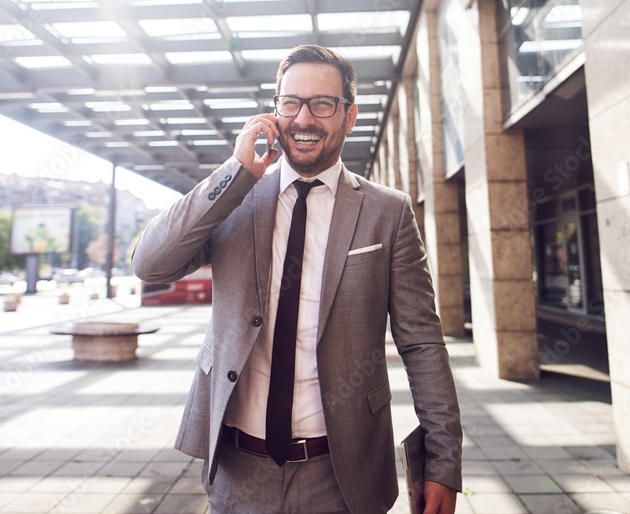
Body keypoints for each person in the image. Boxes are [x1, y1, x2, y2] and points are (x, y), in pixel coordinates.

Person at [132, 45, 462, 513]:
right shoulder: (236, 198)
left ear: (349, 117)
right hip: (236, 471)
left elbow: (422, 343)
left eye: (322, 104)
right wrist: (232, 174)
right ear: (274, 110)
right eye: (291, 103)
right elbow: (150, 265)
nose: (303, 118)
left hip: (341, 476)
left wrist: (443, 462)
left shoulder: (388, 213)